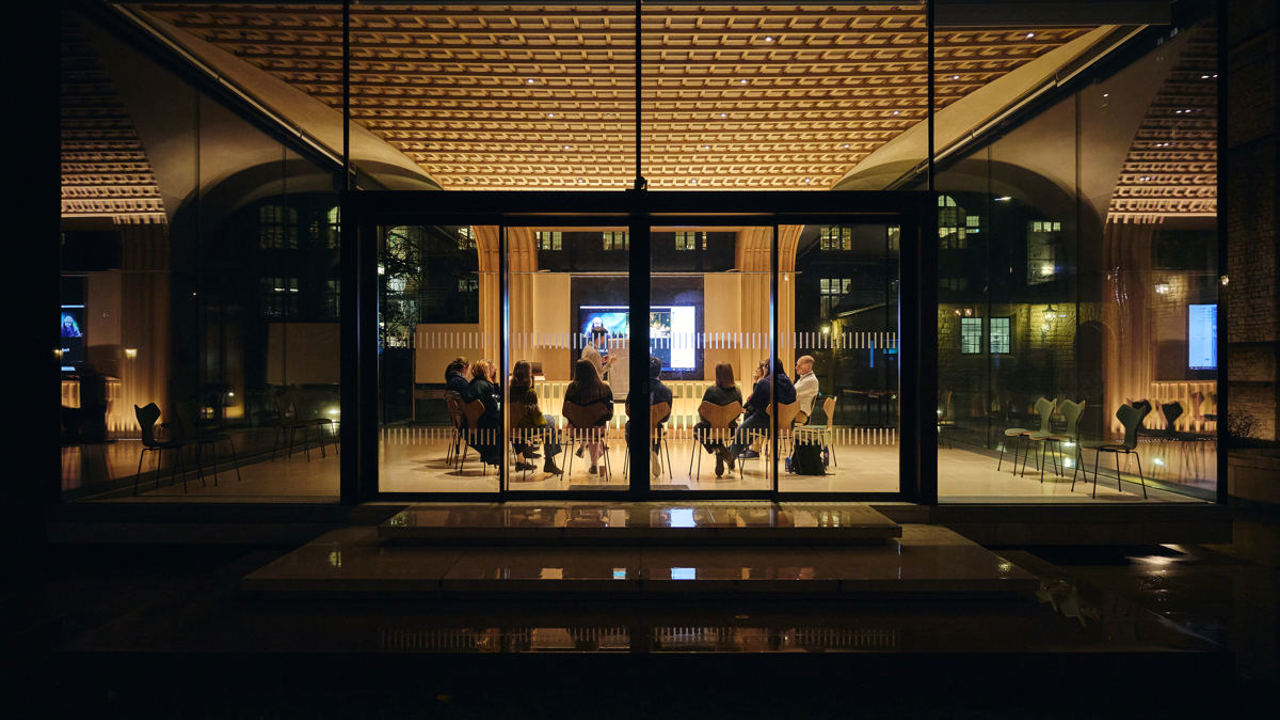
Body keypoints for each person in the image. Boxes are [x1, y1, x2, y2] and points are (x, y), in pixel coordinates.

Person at [731, 358, 797, 460]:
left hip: (768, 423)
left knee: (742, 430)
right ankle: (729, 451)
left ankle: (729, 456)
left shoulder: (764, 383)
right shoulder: (790, 383)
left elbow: (753, 403)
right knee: (750, 431)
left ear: (767, 368)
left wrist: (744, 410)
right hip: (787, 425)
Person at [509, 360, 563, 475]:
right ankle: (549, 461)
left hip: (512, 429)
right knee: (551, 422)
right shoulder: (530, 393)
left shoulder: (508, 391)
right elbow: (537, 418)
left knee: (548, 422)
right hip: (529, 429)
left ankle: (522, 459)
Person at [563, 358, 614, 475]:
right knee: (595, 431)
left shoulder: (571, 388)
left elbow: (565, 411)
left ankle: (583, 445)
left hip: (575, 430)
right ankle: (594, 464)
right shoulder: (604, 388)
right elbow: (609, 414)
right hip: (596, 430)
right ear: (594, 370)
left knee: (587, 429)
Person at [624, 356, 673, 477]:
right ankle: (653, 452)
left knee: (629, 426)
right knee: (657, 427)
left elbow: (628, 409)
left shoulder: (636, 387)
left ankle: (637, 456)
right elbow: (666, 418)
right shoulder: (666, 391)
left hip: (636, 428)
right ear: (660, 371)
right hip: (656, 429)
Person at [693, 362, 744, 477]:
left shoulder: (711, 391)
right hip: (730, 429)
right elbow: (738, 411)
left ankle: (718, 450)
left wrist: (709, 421)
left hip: (709, 429)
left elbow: (702, 411)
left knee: (697, 430)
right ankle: (722, 451)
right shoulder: (737, 391)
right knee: (719, 433)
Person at [467, 359, 501, 466]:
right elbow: (494, 407)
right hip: (487, 424)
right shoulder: (487, 386)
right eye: (492, 368)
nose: (495, 370)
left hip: (472, 424)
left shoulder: (472, 384)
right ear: (486, 371)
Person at [793, 354, 819, 424]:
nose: (796, 367)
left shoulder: (810, 380)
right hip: (796, 412)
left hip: (800, 414)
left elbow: (792, 393)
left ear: (808, 367)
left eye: (799, 365)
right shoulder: (804, 379)